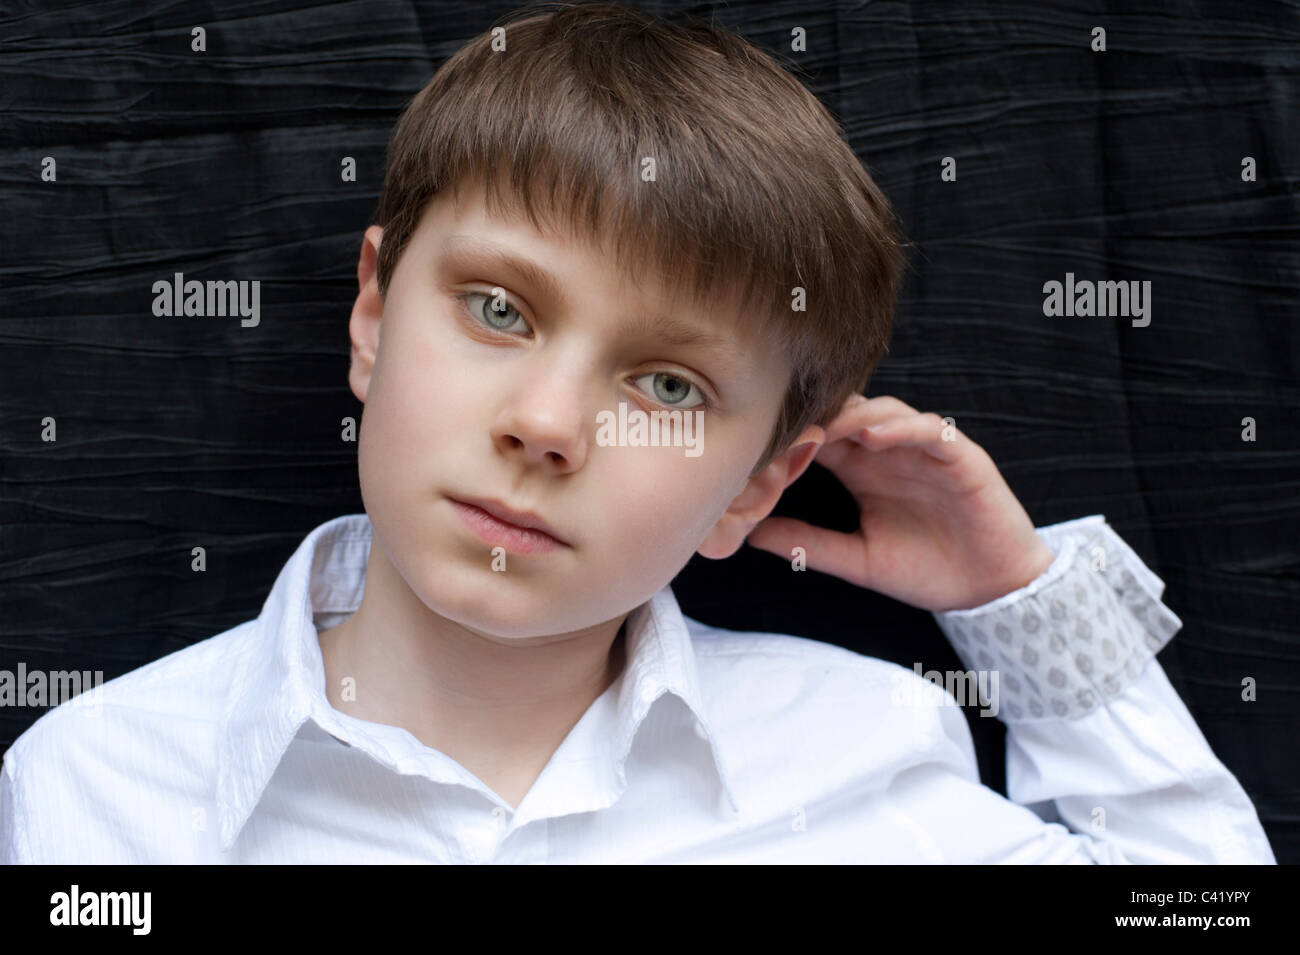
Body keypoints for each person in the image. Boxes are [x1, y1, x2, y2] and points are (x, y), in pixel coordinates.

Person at [0, 1, 1275, 863]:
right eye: (497, 310)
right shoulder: (99, 789)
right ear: (376, 315)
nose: (548, 426)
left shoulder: (864, 753)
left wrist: (1018, 605)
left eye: (668, 388)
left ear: (756, 487)